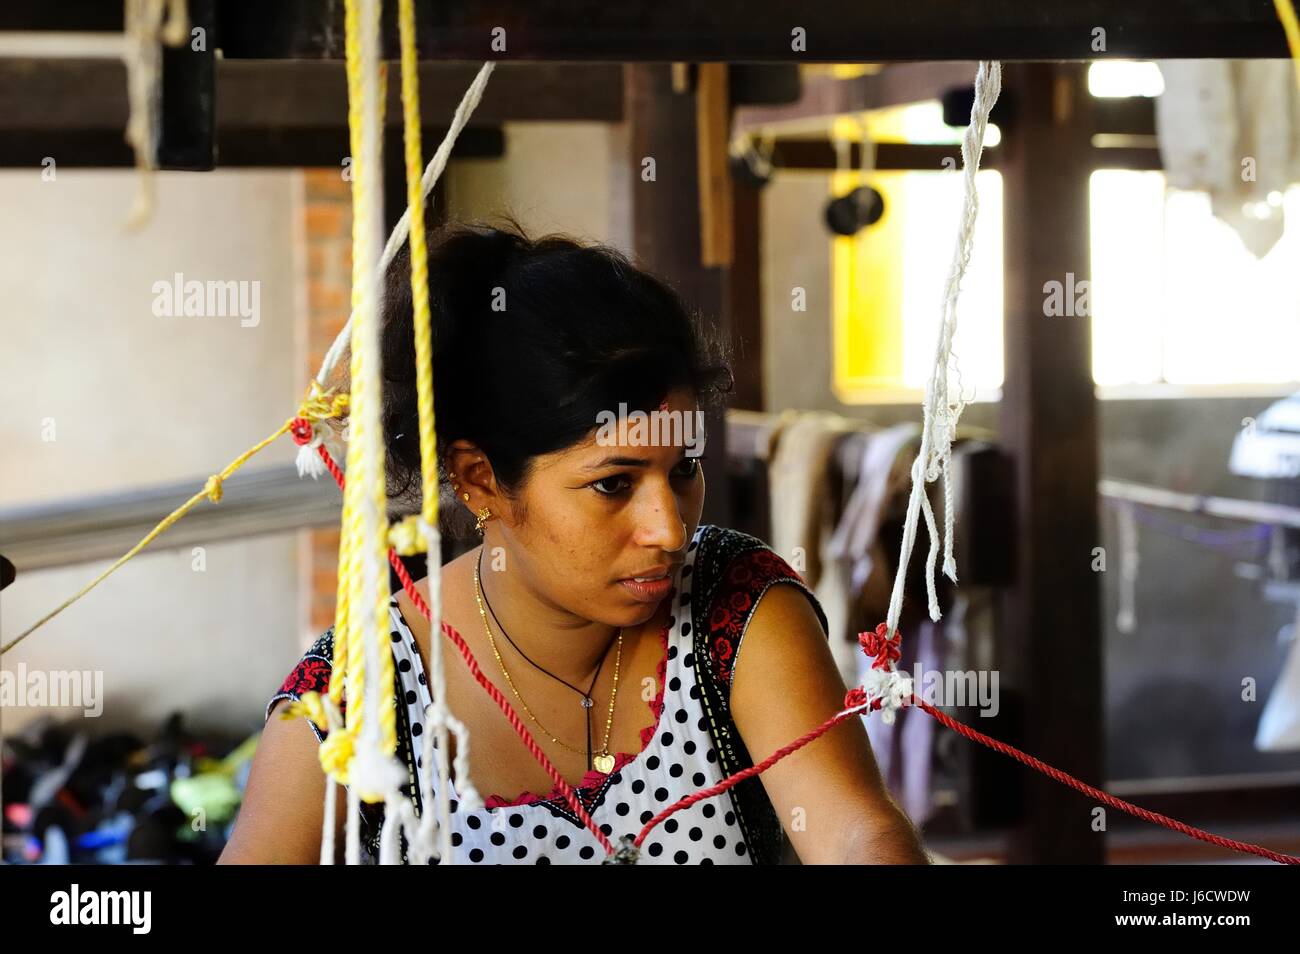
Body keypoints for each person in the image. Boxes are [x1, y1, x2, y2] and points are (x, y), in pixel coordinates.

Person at [219, 219, 928, 865]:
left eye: (683, 472)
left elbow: (857, 835)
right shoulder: (352, 700)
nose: (670, 529)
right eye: (614, 484)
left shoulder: (732, 607)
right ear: (480, 479)